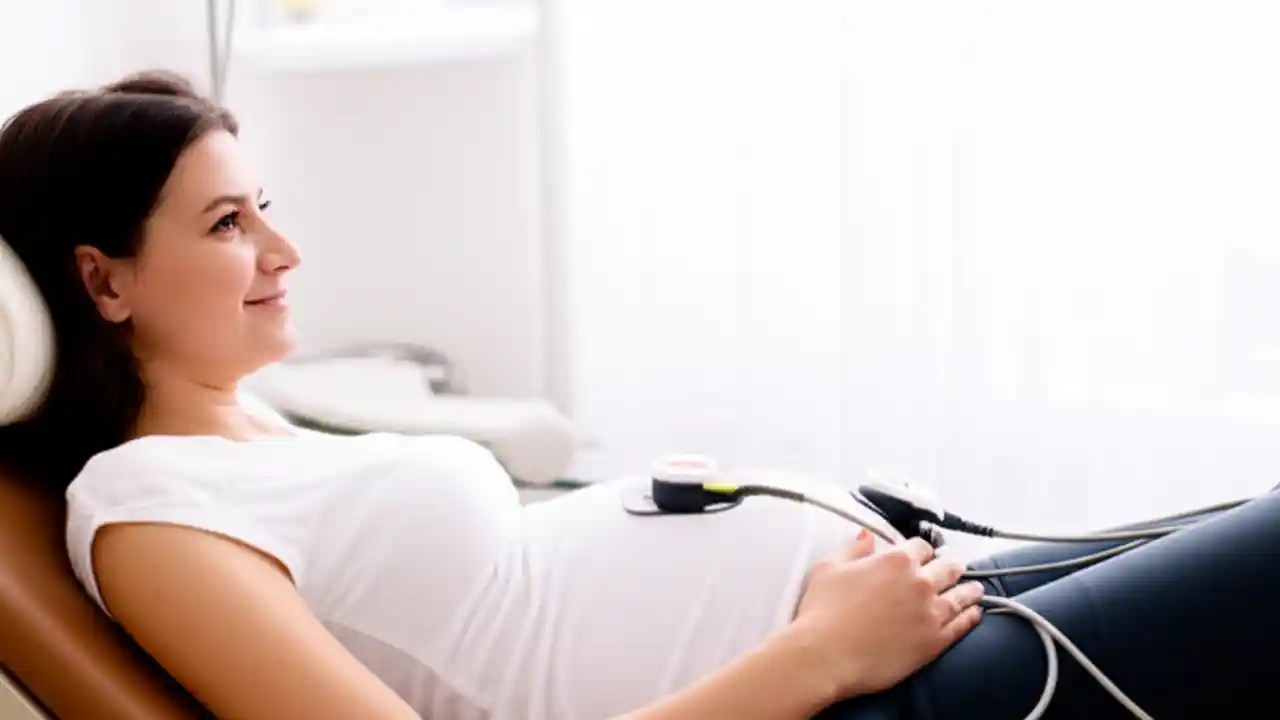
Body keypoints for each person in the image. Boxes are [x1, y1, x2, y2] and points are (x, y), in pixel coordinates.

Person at [0, 72, 1274, 720]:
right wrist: (817, 654)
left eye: (265, 206)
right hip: (862, 690)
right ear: (102, 280)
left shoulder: (247, 425)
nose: (283, 253)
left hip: (889, 607)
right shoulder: (147, 509)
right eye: (228, 223)